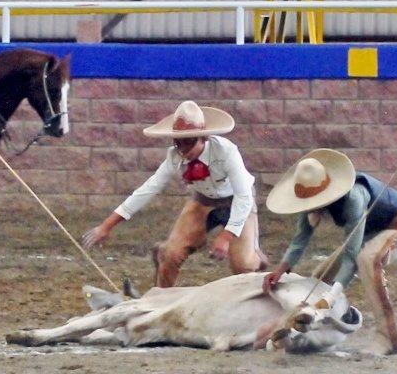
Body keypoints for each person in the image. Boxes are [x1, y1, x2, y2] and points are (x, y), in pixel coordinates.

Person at [83, 101, 268, 287]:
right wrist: (107, 225)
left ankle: (256, 261)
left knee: (243, 265)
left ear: (203, 138)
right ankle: (160, 297)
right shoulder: (175, 156)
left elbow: (244, 196)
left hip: (237, 202)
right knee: (171, 254)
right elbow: (149, 188)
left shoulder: (226, 151)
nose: (183, 149)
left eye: (189, 142)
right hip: (202, 203)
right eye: (177, 142)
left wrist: (226, 236)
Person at [262, 150, 397, 355]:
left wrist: (330, 297)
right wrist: (281, 270)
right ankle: (313, 327)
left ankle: (388, 336)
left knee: (366, 259)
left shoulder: (354, 198)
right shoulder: (309, 201)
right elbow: (300, 239)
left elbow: (351, 256)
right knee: (319, 277)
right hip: (369, 233)